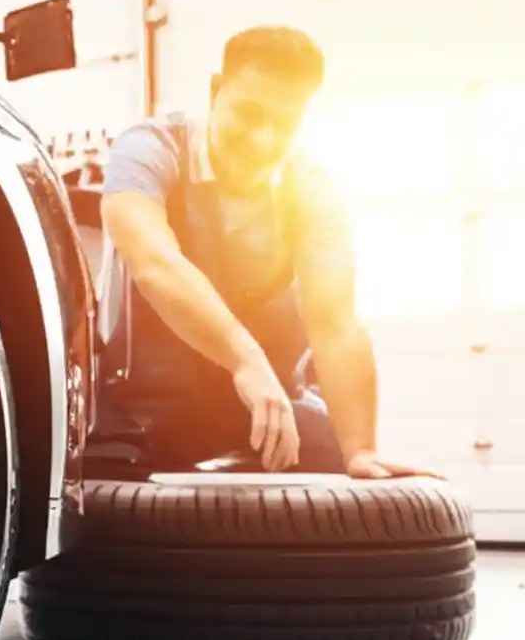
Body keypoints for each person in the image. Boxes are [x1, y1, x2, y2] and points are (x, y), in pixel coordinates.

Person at [98, 25, 439, 479]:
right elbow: (156, 265)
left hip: (272, 402)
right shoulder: (147, 149)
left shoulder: (314, 187)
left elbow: (335, 322)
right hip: (145, 407)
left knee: (338, 469)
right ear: (216, 91)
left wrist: (360, 449)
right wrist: (245, 359)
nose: (263, 140)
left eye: (284, 123)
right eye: (250, 114)